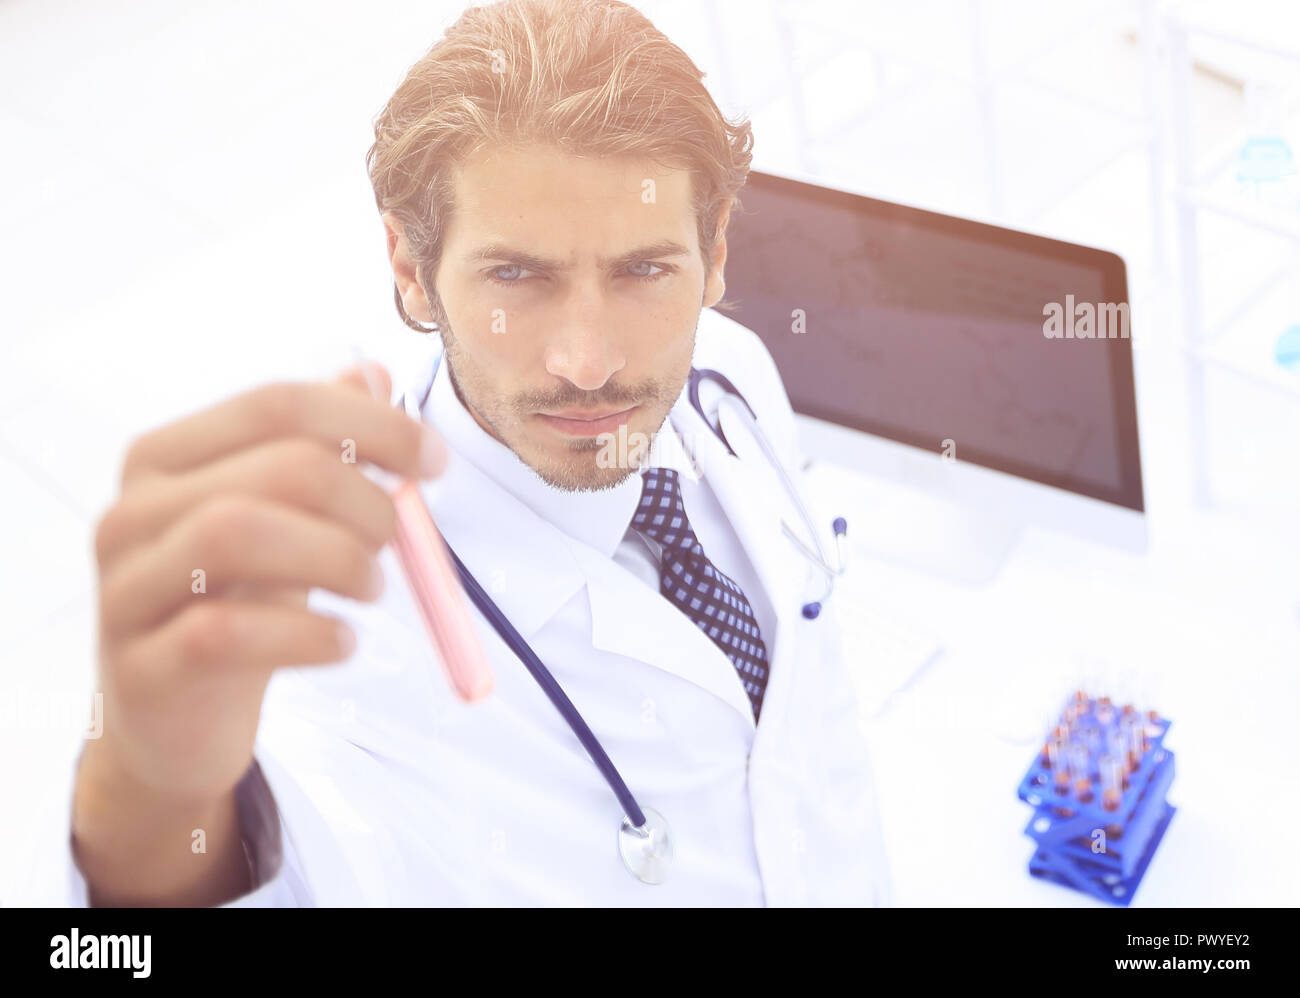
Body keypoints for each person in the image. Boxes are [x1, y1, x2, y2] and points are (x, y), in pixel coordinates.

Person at [34, 0, 891, 906]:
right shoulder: (346, 639)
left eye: (644, 270)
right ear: (410, 269)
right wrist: (144, 789)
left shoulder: (731, 377)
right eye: (516, 276)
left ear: (713, 256)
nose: (588, 363)